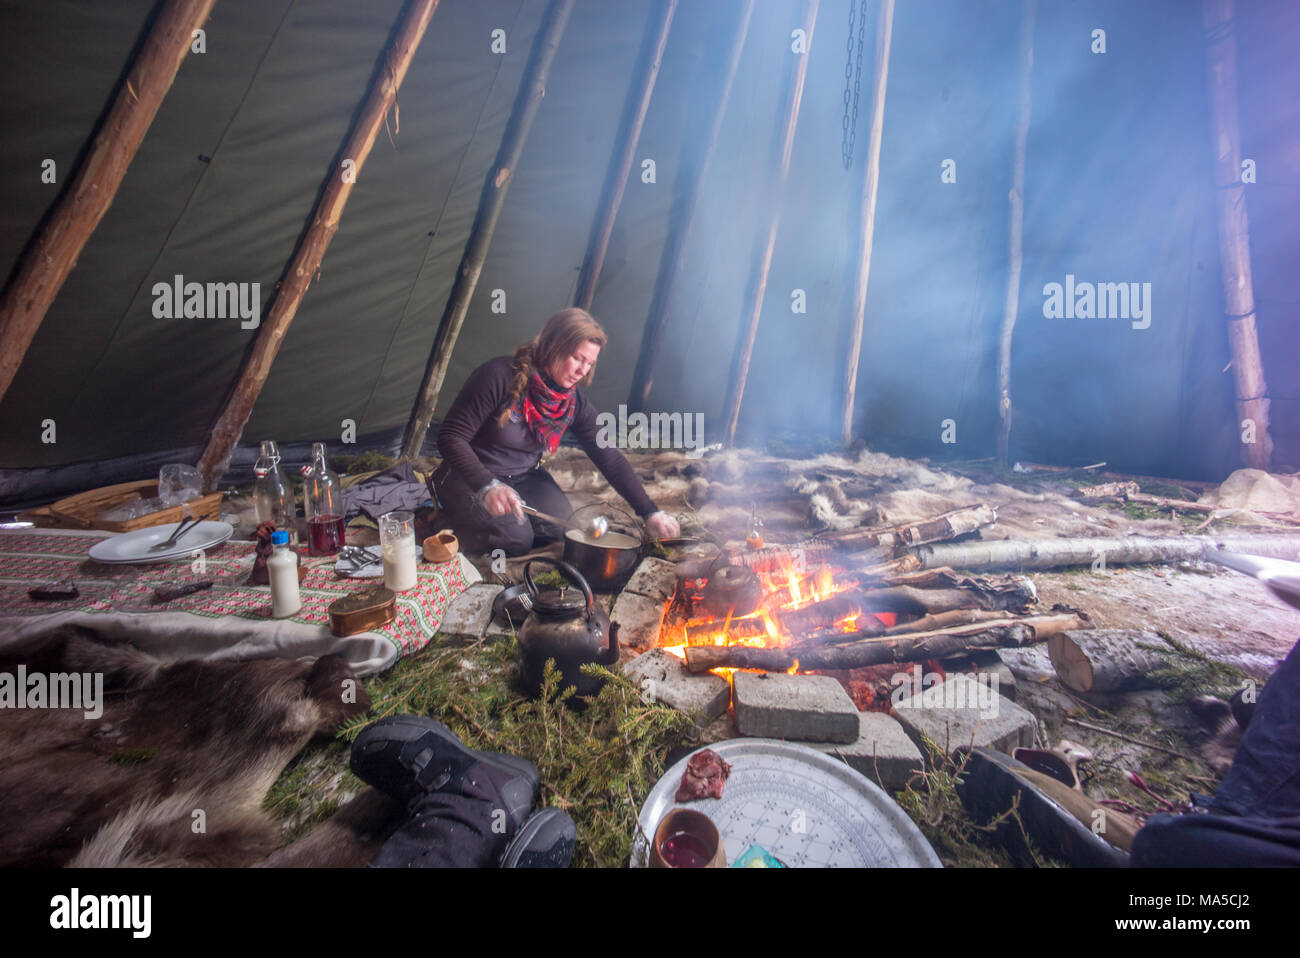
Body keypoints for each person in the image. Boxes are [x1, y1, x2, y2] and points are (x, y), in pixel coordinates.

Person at [432, 307, 680, 555]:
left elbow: (609, 457)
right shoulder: (498, 376)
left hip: (523, 477)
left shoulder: (572, 403)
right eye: (577, 358)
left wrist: (650, 511)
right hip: (467, 476)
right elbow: (451, 437)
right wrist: (487, 485)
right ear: (553, 346)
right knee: (515, 540)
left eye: (590, 363)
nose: (583, 371)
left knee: (561, 530)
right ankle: (440, 522)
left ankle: (502, 523)